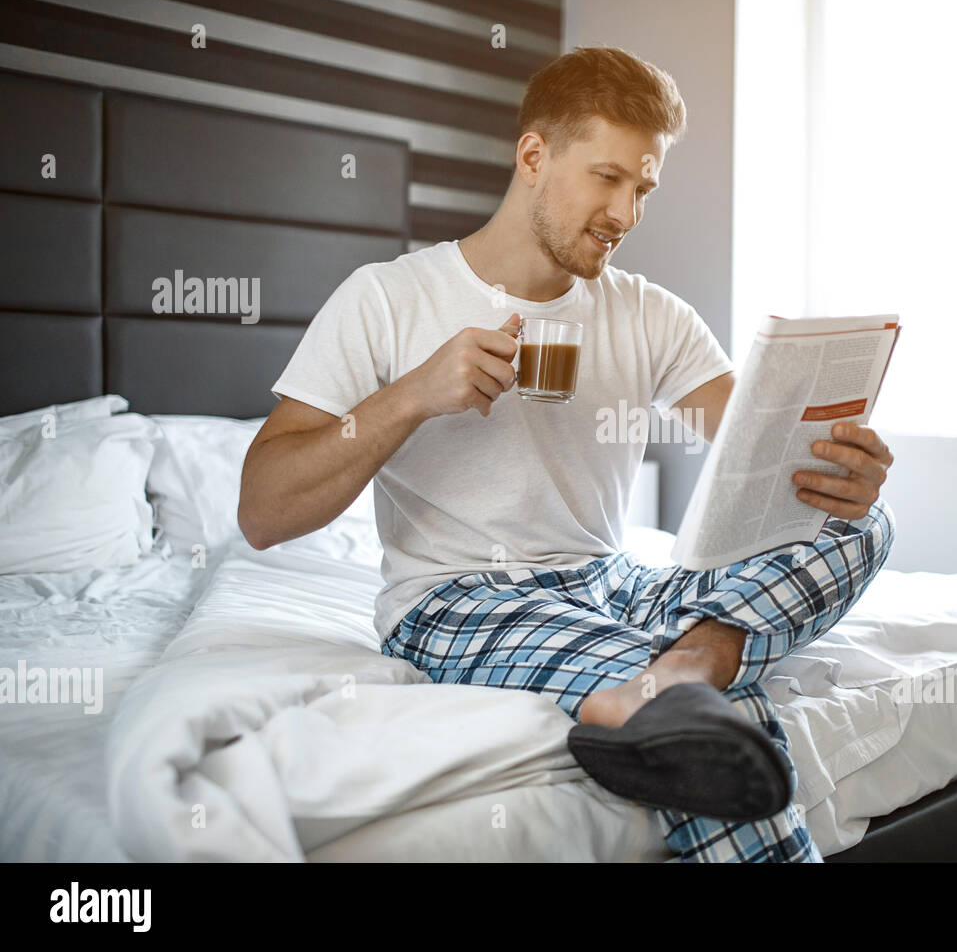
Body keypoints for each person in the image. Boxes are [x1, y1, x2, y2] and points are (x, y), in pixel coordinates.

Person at [237, 46, 895, 863]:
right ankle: (684, 683)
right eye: (608, 177)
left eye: (644, 187)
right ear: (534, 156)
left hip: (610, 582)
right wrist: (411, 396)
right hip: (460, 598)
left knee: (860, 524)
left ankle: (694, 659)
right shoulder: (386, 298)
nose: (626, 212)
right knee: (713, 737)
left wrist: (837, 471)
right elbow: (262, 511)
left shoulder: (651, 314)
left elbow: (762, 461)